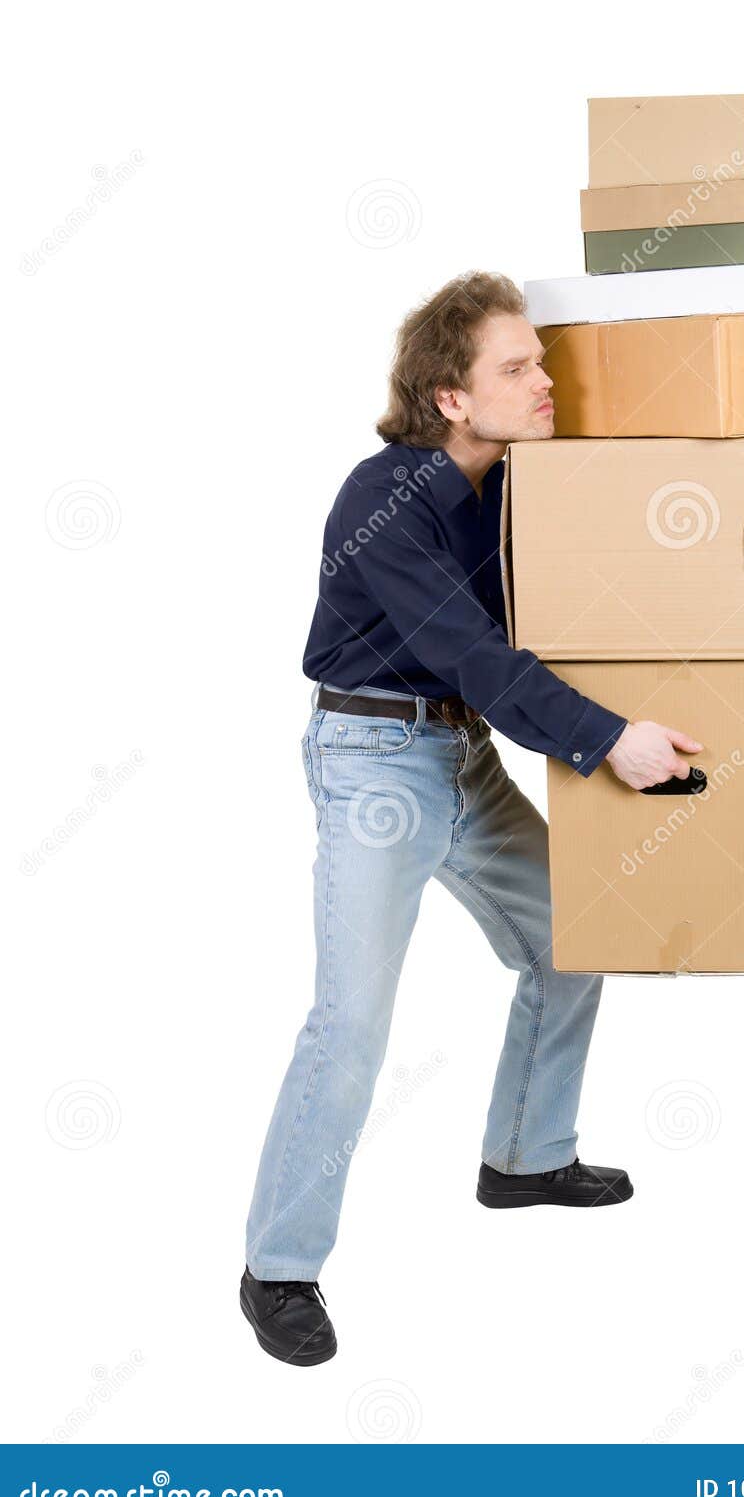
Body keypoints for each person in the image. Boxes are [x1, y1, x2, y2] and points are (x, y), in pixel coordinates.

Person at [241, 272, 702, 1365]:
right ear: (450, 395)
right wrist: (606, 740)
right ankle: (279, 1268)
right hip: (375, 765)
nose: (546, 382)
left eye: (540, 361)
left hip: (460, 753)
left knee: (570, 938)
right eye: (518, 367)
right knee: (349, 1025)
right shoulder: (385, 495)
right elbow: (477, 655)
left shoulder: (507, 488)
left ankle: (525, 1155)